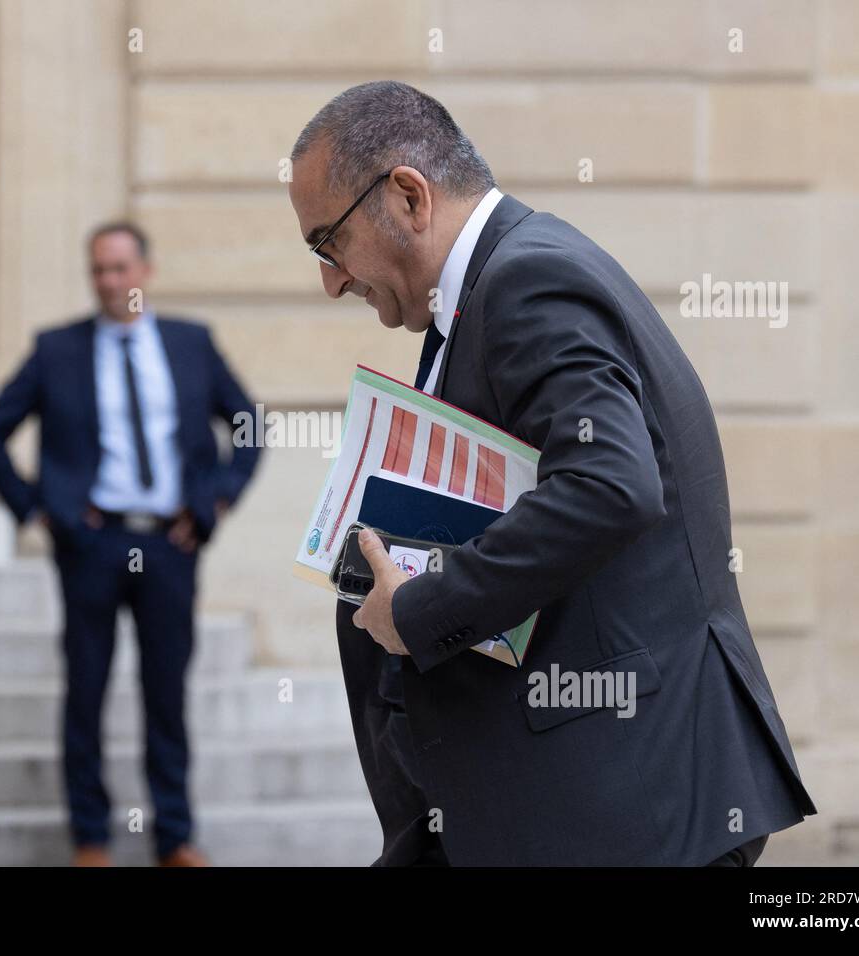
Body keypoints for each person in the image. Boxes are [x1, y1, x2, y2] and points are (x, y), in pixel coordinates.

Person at [286, 81, 816, 866]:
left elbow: (609, 483)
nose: (330, 279)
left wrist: (427, 607)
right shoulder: (491, 290)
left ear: (407, 196)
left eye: (327, 242)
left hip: (626, 806)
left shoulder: (526, 280)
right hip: (564, 800)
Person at [0, 222, 260, 866]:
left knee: (166, 693)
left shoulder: (190, 343)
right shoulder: (57, 350)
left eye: (121, 268)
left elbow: (246, 421)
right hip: (91, 546)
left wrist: (218, 499)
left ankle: (175, 836)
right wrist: (37, 510)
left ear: (146, 272)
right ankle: (91, 838)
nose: (110, 281)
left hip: (168, 547)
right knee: (86, 691)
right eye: (99, 270)